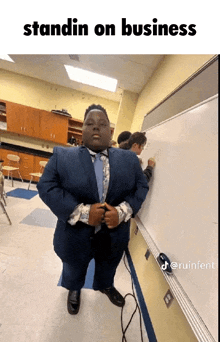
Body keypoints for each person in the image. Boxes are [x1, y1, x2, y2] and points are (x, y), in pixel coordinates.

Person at [37, 104, 149, 315]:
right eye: (90, 124)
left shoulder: (130, 160)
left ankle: (106, 285)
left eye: (102, 124)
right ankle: (74, 289)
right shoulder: (62, 156)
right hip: (74, 236)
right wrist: (83, 213)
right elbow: (46, 187)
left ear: (110, 131)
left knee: (109, 265)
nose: (96, 128)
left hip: (114, 235)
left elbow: (142, 187)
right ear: (82, 130)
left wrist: (123, 212)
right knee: (73, 268)